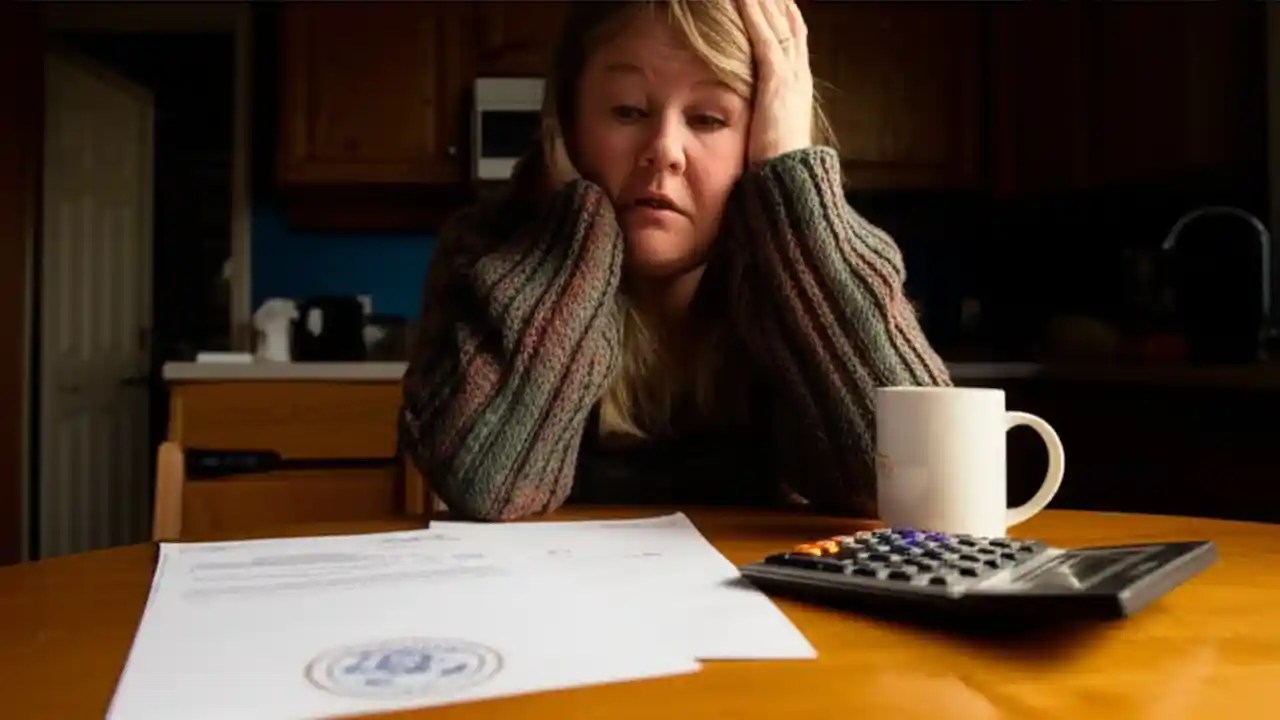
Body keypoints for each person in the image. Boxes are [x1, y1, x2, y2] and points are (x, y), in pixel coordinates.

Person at [399, 0, 951, 522]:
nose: (664, 149)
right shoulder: (485, 251)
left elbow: (923, 476)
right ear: (567, 126)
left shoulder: (811, 255)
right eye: (628, 111)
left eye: (708, 119)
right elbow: (486, 488)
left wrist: (795, 198)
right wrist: (575, 238)